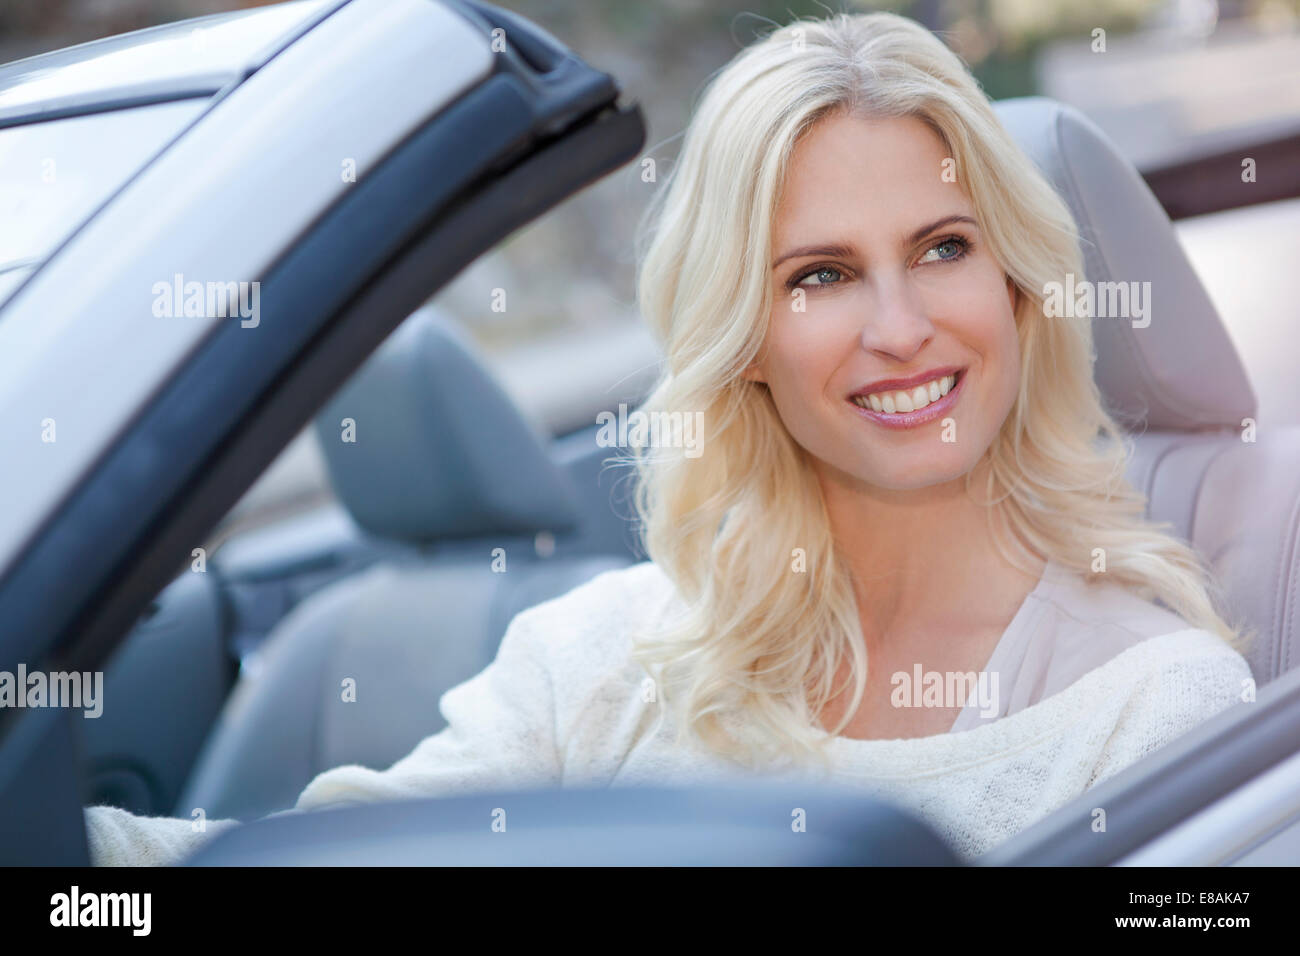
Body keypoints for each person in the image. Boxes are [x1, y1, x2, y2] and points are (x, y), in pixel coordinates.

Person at [84, 10, 1253, 866]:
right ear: (741, 335)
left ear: (1016, 285)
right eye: (822, 274)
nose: (901, 327)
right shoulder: (597, 656)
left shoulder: (1159, 709)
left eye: (944, 247)